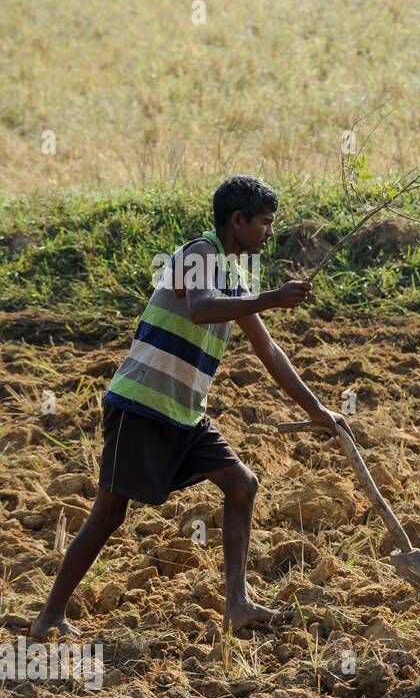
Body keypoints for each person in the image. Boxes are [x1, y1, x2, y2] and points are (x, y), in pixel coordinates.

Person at [30, 175, 350, 639]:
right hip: (141, 403)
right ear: (237, 221)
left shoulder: (237, 278)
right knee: (109, 513)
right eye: (264, 223)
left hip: (185, 412)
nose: (269, 233)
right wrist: (273, 298)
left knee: (241, 485)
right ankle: (49, 616)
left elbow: (270, 353)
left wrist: (320, 411)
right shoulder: (199, 253)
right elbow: (201, 309)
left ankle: (237, 604)